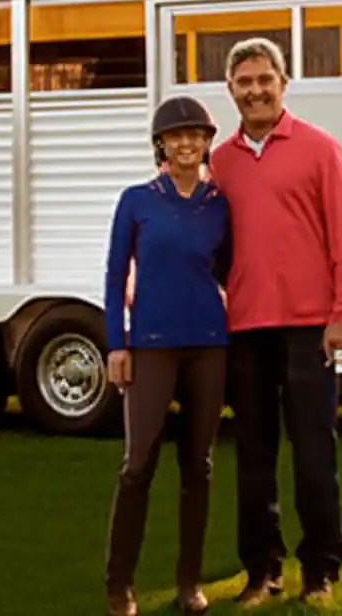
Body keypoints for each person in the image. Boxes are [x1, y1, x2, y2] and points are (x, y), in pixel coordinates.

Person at [209, 37, 342, 606]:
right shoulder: (219, 162)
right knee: (253, 455)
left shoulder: (321, 149)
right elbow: (214, 246)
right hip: (246, 328)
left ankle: (321, 572)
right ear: (231, 91)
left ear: (282, 84)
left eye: (264, 80)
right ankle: (262, 572)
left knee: (314, 454)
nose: (255, 90)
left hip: (309, 327)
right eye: (244, 83)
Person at [102, 95, 232, 616]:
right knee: (137, 465)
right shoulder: (136, 201)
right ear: (161, 144)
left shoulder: (219, 205)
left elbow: (229, 270)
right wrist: (117, 342)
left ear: (206, 143)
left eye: (196, 135)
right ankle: (119, 584)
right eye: (176, 136)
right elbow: (114, 278)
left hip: (208, 345)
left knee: (198, 467)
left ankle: (188, 582)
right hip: (151, 345)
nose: (186, 143)